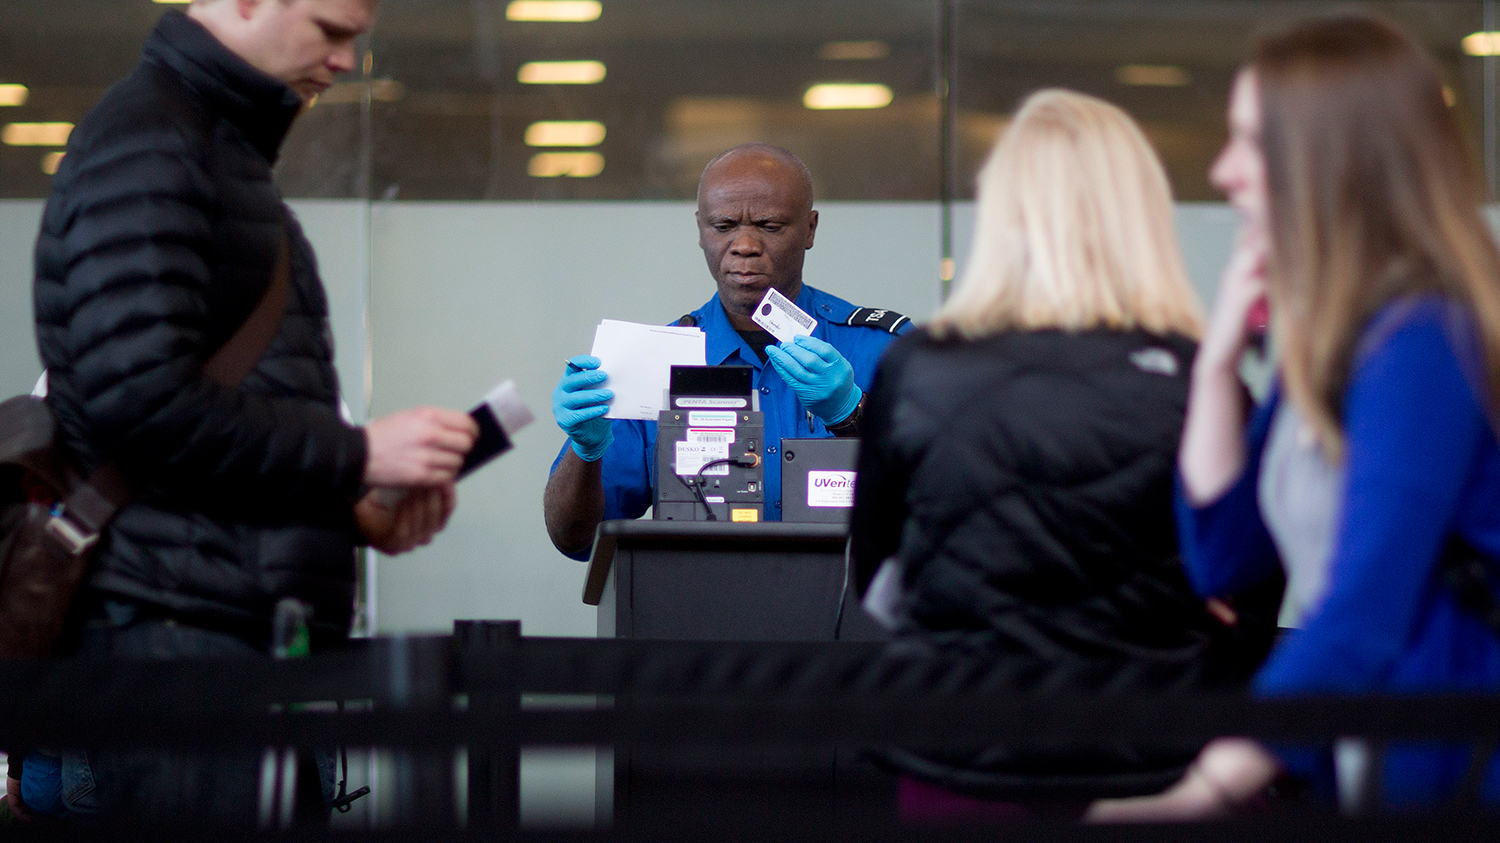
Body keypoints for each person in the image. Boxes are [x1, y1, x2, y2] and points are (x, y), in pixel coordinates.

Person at [30, 0, 478, 825]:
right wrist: (356, 457)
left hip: (227, 635)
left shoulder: (204, 147)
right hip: (179, 640)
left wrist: (353, 511)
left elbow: (226, 408)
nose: (344, 61)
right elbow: (140, 399)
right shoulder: (153, 145)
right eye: (329, 30)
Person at [1089, 15, 1500, 820]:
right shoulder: (1334, 337)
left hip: (1454, 771)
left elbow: (1365, 610)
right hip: (1372, 757)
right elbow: (1226, 561)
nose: (1223, 170)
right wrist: (1215, 367)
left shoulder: (1425, 338)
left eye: (1250, 141)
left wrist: (1205, 789)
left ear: (1329, 159)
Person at [847, 89, 1278, 815]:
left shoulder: (915, 367)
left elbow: (878, 577)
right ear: (1140, 213)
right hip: (1153, 769)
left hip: (955, 761)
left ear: (1002, 210)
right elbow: (1251, 601)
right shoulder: (1205, 381)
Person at [544, 143, 911, 557]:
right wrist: (585, 450)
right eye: (724, 226)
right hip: (707, 608)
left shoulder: (882, 350)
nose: (744, 245)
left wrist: (854, 416)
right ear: (700, 230)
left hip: (848, 610)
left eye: (770, 226)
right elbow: (575, 539)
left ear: (809, 229)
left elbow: (947, 506)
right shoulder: (656, 363)